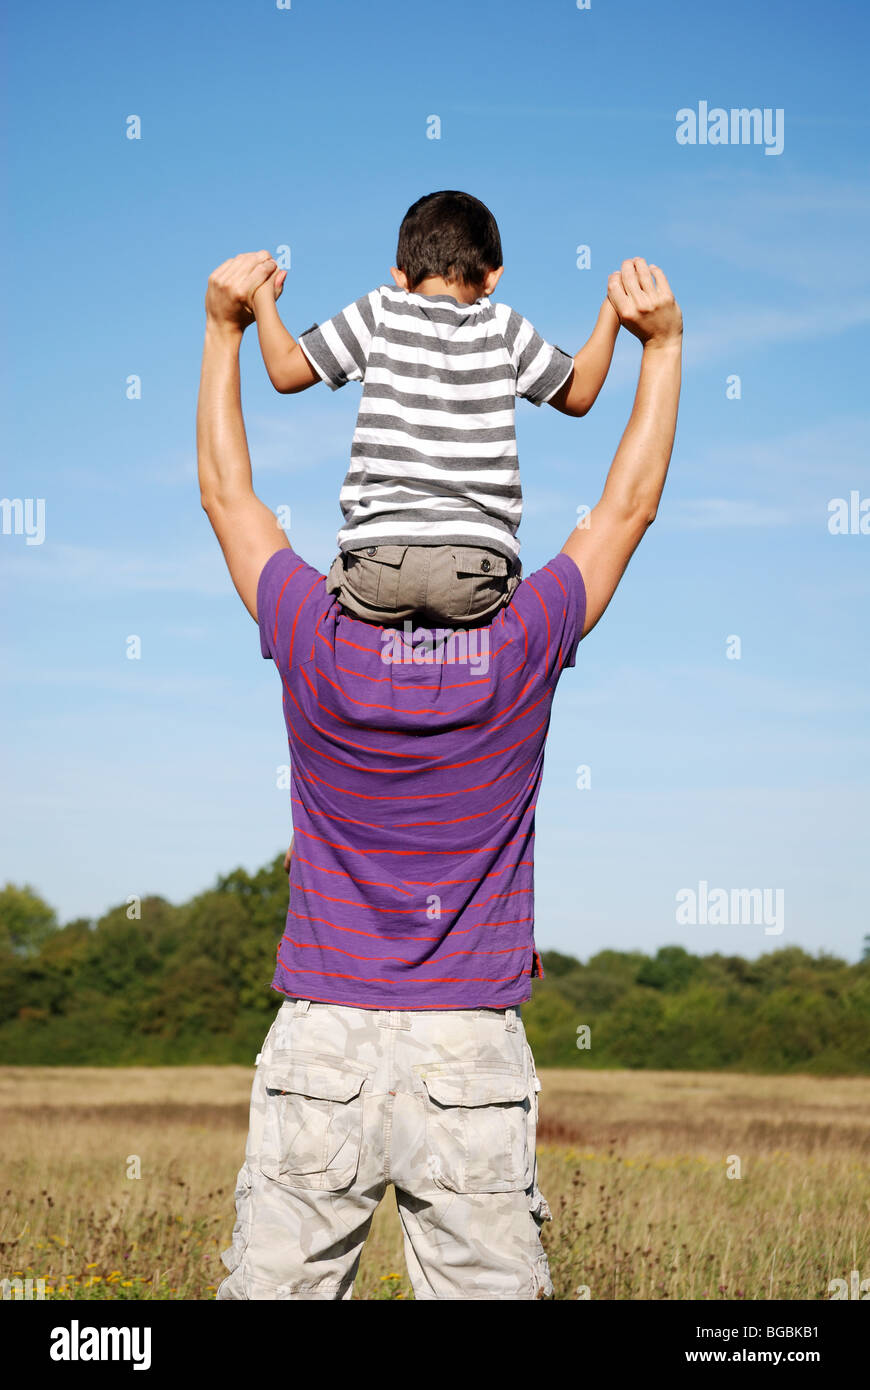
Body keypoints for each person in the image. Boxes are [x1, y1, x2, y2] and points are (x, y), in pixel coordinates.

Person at [196, 248, 682, 1300]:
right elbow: (626, 509)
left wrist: (225, 330)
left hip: (323, 1034)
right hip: (469, 1047)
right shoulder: (519, 646)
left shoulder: (317, 638)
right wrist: (663, 348)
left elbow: (229, 499)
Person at [249, 190, 622, 625]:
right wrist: (612, 311)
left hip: (378, 563)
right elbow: (580, 393)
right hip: (477, 571)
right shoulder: (505, 329)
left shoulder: (380, 311)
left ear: (400, 276)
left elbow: (284, 371)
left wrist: (261, 300)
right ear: (492, 278)